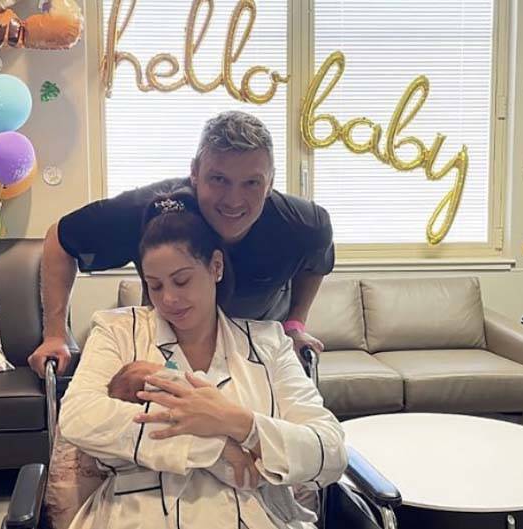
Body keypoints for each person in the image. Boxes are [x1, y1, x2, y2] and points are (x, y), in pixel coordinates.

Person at [58, 193, 346, 529]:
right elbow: (80, 417)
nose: (168, 299)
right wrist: (219, 445)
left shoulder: (268, 342)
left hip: (254, 516)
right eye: (154, 285)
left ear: (216, 267)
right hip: (139, 514)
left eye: (182, 280)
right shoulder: (118, 330)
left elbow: (330, 451)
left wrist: (238, 423)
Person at [28, 111, 335, 378]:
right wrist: (56, 334)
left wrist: (295, 323)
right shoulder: (152, 210)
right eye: (218, 179)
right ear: (194, 173)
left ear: (270, 182)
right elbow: (60, 238)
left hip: (257, 355)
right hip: (169, 354)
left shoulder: (305, 225)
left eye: (251, 183)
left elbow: (315, 262)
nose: (233, 200)